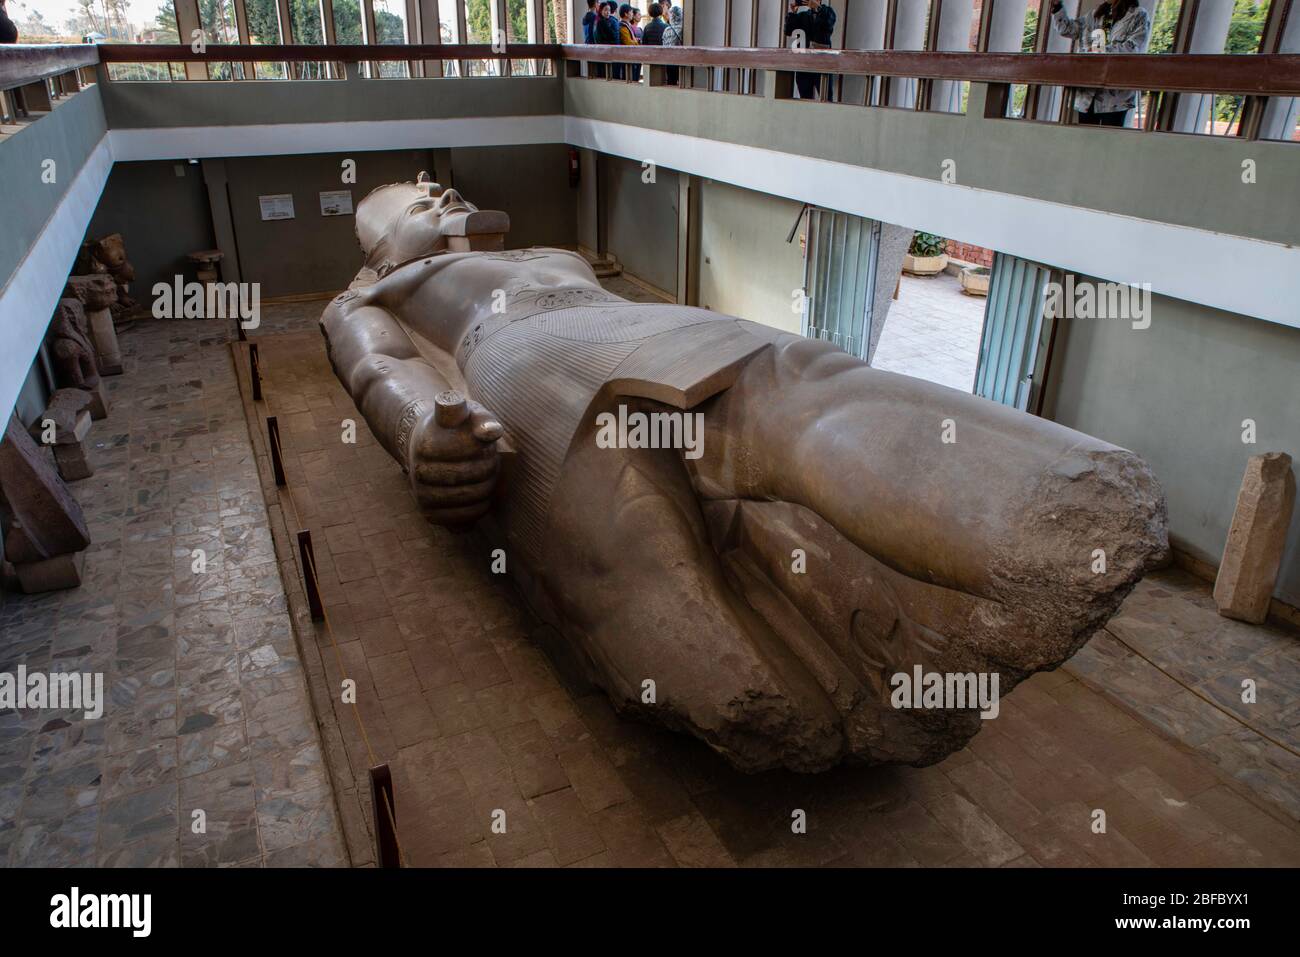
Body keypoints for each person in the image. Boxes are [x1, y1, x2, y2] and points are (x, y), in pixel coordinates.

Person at [1049, 0, 1151, 127]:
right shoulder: (1095, 15)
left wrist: (1101, 51)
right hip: (1089, 90)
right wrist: (1057, 8)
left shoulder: (1138, 15)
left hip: (1115, 95)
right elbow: (1068, 29)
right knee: (1087, 137)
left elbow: (1133, 47)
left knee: (1109, 139)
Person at [783, 0, 836, 102]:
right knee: (804, 98)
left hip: (823, 63)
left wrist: (818, 8)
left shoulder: (828, 11)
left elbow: (828, 23)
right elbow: (789, 31)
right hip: (804, 63)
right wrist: (793, 12)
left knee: (827, 99)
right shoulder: (803, 16)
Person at [594, 1, 623, 78]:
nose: (608, 12)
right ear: (601, 11)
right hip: (604, 53)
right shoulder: (600, 22)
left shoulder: (608, 21)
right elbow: (603, 39)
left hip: (609, 52)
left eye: (609, 10)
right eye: (606, 10)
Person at [617, 4, 640, 82]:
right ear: (626, 14)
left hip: (630, 57)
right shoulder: (622, 26)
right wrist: (638, 42)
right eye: (631, 12)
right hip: (626, 57)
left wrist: (635, 40)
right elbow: (628, 42)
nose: (632, 14)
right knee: (629, 80)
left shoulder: (627, 25)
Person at [661, 5, 683, 87]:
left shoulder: (667, 29)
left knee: (671, 83)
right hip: (682, 61)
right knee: (682, 83)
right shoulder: (684, 29)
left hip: (669, 61)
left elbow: (664, 45)